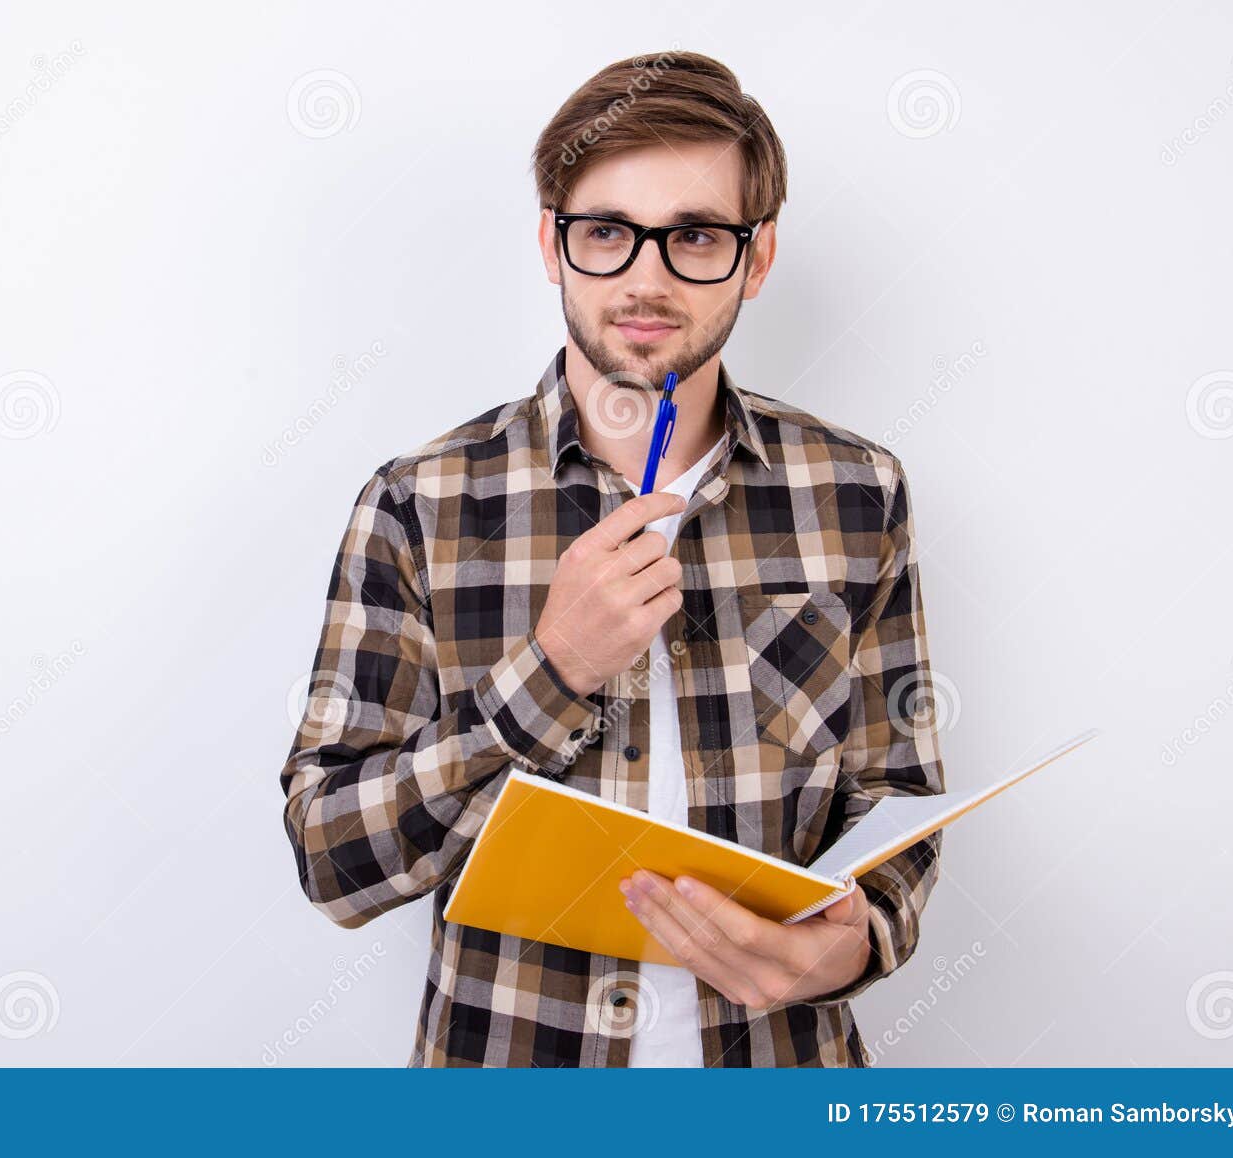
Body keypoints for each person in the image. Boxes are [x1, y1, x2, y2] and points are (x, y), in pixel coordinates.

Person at [278, 50, 945, 1067]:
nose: (646, 278)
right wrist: (551, 675)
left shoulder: (856, 492)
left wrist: (853, 945)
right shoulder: (419, 504)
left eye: (693, 236)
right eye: (606, 233)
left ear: (755, 259)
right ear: (552, 245)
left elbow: (900, 799)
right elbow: (331, 862)